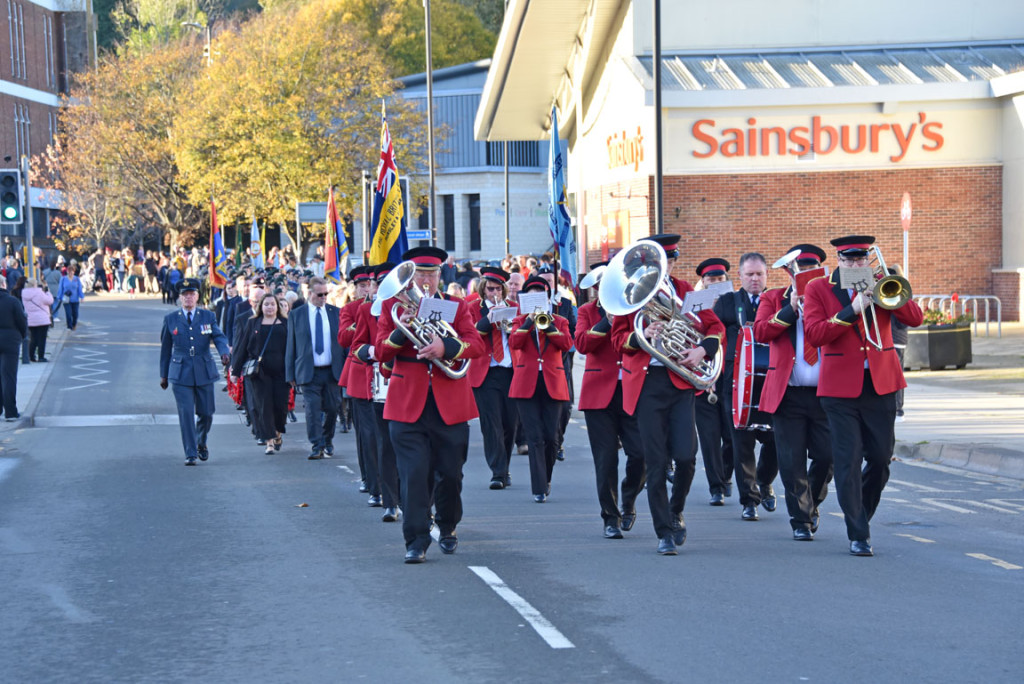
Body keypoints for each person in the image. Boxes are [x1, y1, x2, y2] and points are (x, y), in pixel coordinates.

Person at [803, 235, 923, 556]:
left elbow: (915, 318)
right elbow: (815, 334)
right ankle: (858, 532)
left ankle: (861, 516)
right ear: (838, 262)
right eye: (849, 261)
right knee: (848, 460)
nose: (856, 266)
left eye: (861, 260)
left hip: (881, 383)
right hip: (840, 388)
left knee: (881, 460)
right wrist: (851, 309)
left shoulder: (882, 282)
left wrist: (890, 286)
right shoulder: (818, 288)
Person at [612, 234, 724, 555]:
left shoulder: (687, 291)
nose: (666, 267)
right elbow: (617, 339)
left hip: (679, 381)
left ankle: (675, 511)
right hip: (647, 386)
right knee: (656, 461)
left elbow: (713, 326)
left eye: (670, 261)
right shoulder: (629, 294)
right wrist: (641, 333)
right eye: (662, 261)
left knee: (687, 457)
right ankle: (663, 531)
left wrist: (703, 349)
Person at [375, 246, 485, 563]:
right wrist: (401, 330)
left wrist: (445, 345)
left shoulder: (457, 305)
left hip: (449, 403)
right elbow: (382, 352)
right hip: (406, 403)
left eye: (431, 274)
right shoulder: (390, 308)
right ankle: (416, 540)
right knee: (412, 475)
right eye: (418, 274)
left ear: (440, 276)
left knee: (450, 474)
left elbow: (476, 344)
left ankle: (448, 525)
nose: (424, 280)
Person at [754, 244, 834, 541]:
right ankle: (800, 519)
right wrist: (791, 310)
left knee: (828, 456)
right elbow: (761, 331)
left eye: (811, 270)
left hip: (825, 392)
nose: (804, 275)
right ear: (790, 273)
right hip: (788, 394)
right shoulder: (773, 298)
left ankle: (811, 501)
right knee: (791, 460)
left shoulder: (829, 298)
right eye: (799, 270)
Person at [575, 262, 646, 538]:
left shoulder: (634, 306)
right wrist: (608, 318)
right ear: (595, 289)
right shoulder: (586, 312)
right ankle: (610, 517)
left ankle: (628, 499)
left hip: (631, 388)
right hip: (598, 394)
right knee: (605, 460)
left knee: (641, 454)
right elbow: (581, 343)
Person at [713, 252, 779, 521]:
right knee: (741, 441)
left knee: (775, 437)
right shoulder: (728, 302)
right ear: (739, 276)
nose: (755, 279)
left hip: (770, 380)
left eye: (759, 274)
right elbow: (714, 336)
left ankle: (764, 481)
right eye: (749, 274)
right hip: (735, 381)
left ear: (766, 276)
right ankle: (749, 500)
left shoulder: (775, 301)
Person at [509, 275, 572, 502]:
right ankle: (539, 487)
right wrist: (528, 322)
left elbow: (566, 344)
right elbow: (514, 343)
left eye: (540, 294)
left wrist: (547, 324)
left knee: (551, 437)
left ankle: (546, 478)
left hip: (552, 383)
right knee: (535, 437)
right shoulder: (518, 320)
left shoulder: (559, 320)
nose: (536, 297)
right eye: (532, 293)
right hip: (526, 385)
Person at [159, 278, 231, 465]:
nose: (188, 298)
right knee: (186, 413)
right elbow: (165, 350)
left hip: (204, 369)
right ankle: (190, 453)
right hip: (181, 372)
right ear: (180, 298)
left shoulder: (207, 316)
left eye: (192, 294)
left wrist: (224, 352)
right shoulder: (171, 319)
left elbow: (219, 337)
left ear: (197, 297)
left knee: (207, 413)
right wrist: (164, 375)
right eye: (185, 295)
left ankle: (201, 441)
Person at [284, 276, 343, 460]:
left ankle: (327, 440)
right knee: (312, 409)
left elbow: (342, 343)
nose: (324, 297)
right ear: (309, 293)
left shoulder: (336, 313)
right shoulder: (297, 314)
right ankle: (317, 445)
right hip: (308, 371)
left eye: (326, 294)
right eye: (320, 294)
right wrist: (290, 373)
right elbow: (291, 346)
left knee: (333, 408)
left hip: (332, 371)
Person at [469, 267, 517, 490]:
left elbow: (521, 340)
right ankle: (497, 472)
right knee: (492, 424)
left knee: (510, 424)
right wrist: (489, 320)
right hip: (485, 373)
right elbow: (470, 335)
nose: (494, 293)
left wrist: (511, 328)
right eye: (490, 289)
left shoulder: (514, 309)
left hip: (510, 371)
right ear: (483, 288)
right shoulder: (472, 309)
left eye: (498, 289)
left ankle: (504, 467)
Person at [693, 258, 735, 505]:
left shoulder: (736, 303)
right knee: (709, 437)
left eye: (721, 280)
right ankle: (716, 487)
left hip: (730, 377)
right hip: (704, 375)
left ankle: (725, 475)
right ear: (703, 282)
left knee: (731, 436)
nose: (717, 283)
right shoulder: (695, 305)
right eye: (712, 280)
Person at [232, 293, 290, 454]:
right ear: (261, 307)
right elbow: (242, 347)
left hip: (281, 372)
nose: (270, 307)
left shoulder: (286, 323)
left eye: (272, 304)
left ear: (277, 307)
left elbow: (293, 349)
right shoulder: (253, 323)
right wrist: (235, 371)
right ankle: (269, 441)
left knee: (280, 407)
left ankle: (277, 432)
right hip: (259, 373)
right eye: (266, 304)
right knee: (264, 407)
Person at [535, 264, 577, 462]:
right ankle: (548, 441)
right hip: (539, 362)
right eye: (543, 282)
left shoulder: (565, 304)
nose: (546, 285)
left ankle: (558, 440)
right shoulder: (529, 303)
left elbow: (575, 333)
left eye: (549, 281)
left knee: (566, 406)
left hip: (562, 361)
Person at [338, 266, 375, 487]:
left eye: (371, 284)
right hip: (361, 372)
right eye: (363, 286)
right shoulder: (350, 309)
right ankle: (368, 477)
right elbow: (343, 338)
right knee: (365, 433)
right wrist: (362, 322)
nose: (367, 289)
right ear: (355, 288)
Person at [0, 277, 26, 421]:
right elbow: (21, 321)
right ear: (4, 284)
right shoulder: (12, 301)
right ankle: (10, 412)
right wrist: (22, 336)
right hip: (10, 340)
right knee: (8, 376)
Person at [21, 278, 54, 362]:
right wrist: (47, 292)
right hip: (42, 319)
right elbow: (50, 301)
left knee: (34, 338)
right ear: (35, 284)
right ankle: (41, 357)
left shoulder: (24, 293)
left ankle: (31, 356)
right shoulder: (39, 292)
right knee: (42, 339)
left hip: (31, 319)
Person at [54, 266, 85, 331]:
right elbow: (60, 288)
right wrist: (59, 297)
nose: (71, 272)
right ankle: (69, 327)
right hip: (66, 299)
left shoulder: (77, 279)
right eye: (69, 271)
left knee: (75, 314)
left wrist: (82, 297)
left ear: (74, 272)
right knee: (68, 313)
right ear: (67, 271)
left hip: (75, 299)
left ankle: (74, 324)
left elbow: (79, 289)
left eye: (72, 271)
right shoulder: (63, 279)